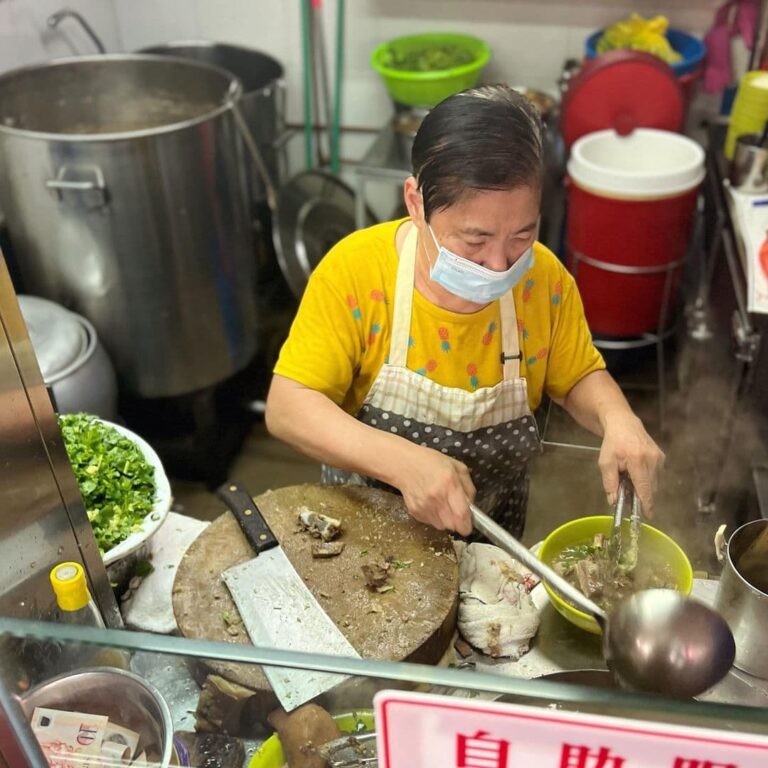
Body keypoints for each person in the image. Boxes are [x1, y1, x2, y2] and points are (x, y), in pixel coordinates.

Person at [265, 84, 664, 538]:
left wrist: (619, 419)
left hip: (489, 533)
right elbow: (289, 406)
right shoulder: (356, 272)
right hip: (362, 533)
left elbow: (575, 375)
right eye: (474, 240)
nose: (499, 264)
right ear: (416, 203)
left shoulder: (544, 281)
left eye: (521, 235)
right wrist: (400, 461)